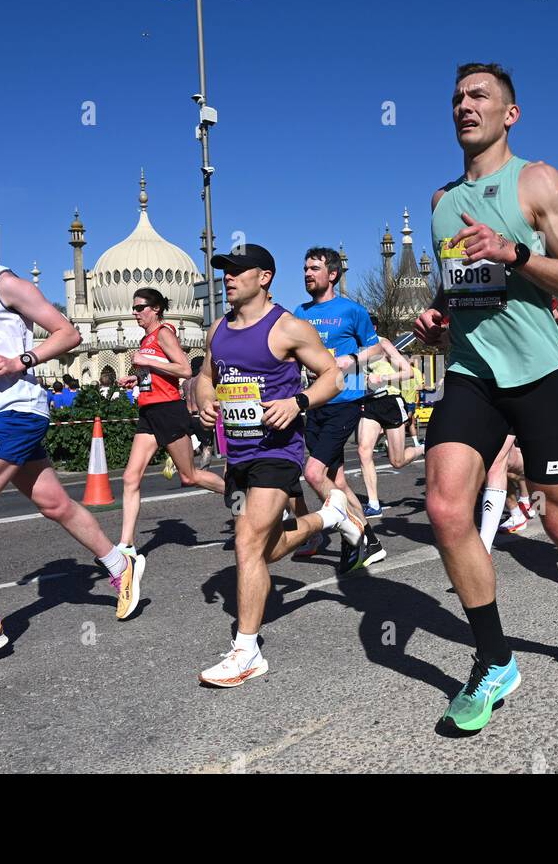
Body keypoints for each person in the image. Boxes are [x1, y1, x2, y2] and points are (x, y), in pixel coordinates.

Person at [415, 62, 558, 735]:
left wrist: (515, 252)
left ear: (510, 114)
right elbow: (461, 284)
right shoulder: (442, 201)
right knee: (445, 506)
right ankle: (495, 659)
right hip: (473, 373)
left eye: (479, 96)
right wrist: (439, 314)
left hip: (538, 375)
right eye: (456, 98)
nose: (463, 105)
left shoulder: (538, 180)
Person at [0, 203, 144, 666]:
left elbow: (68, 332)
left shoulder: (5, 283)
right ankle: (121, 565)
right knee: (53, 504)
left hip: (17, 411)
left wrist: (24, 361)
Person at [194, 243, 365, 687]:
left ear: (264, 276)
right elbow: (205, 377)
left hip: (277, 451)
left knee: (248, 544)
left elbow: (333, 375)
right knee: (260, 551)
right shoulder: (219, 328)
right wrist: (206, 399)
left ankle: (246, 651)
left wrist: (298, 401)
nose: (228, 277)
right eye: (224, 271)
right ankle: (330, 515)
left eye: (236, 271)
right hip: (238, 455)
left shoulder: (288, 326)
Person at [292, 246, 387, 571]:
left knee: (314, 473)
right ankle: (368, 541)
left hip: (345, 402)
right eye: (305, 268)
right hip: (314, 405)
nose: (307, 273)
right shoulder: (299, 313)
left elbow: (376, 348)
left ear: (332, 274)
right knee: (338, 482)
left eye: (314, 268)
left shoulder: (352, 310)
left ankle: (354, 535)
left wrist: (352, 360)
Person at [116, 287, 225, 556]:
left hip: (168, 411)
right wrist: (137, 377)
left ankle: (242, 497)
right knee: (130, 477)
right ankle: (126, 546)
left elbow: (185, 369)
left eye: (140, 308)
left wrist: (145, 359)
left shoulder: (163, 333)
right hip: (149, 412)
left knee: (189, 476)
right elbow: (157, 374)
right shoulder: (146, 339)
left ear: (155, 309)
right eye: (134, 308)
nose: (135, 313)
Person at [356, 322, 424, 517]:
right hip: (369, 403)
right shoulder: (353, 348)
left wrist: (383, 377)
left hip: (390, 402)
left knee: (397, 461)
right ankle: (374, 503)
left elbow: (408, 372)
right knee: (363, 450)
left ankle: (422, 448)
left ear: (373, 328)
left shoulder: (383, 344)